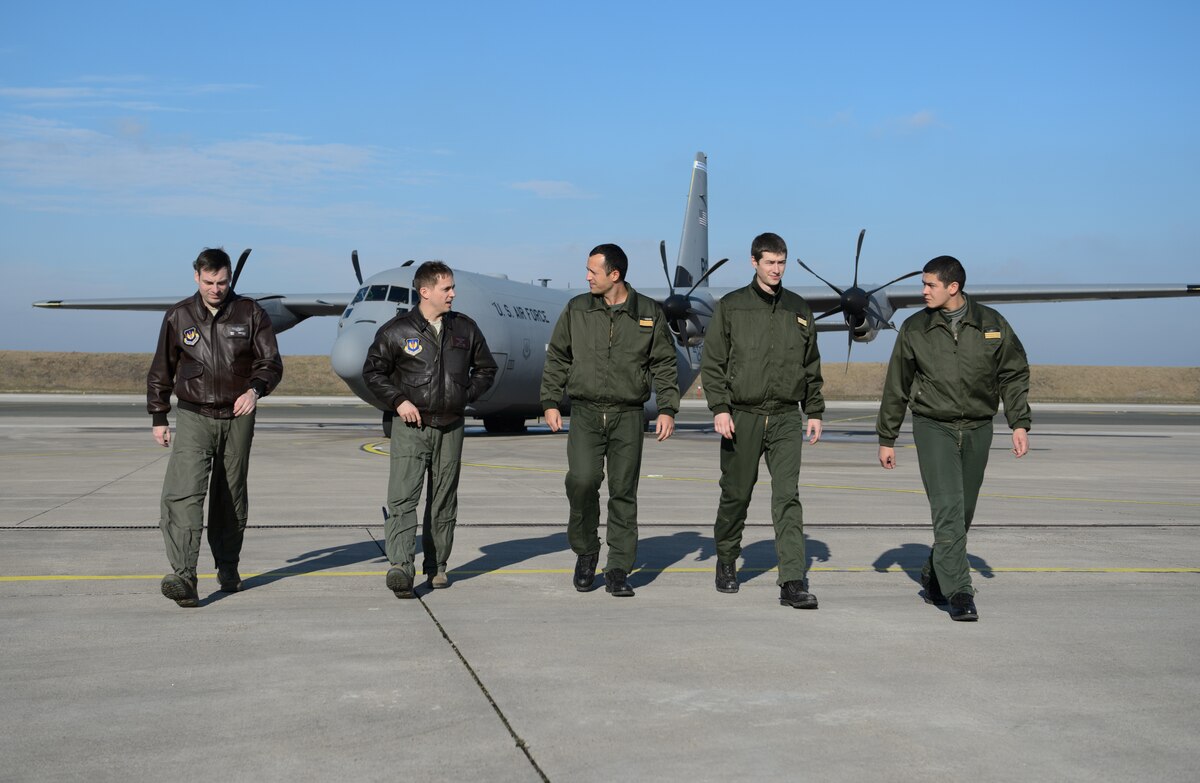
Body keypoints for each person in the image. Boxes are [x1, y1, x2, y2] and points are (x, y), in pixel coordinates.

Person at [877, 255, 1031, 622]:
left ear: (953, 287)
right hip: (934, 426)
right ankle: (959, 591)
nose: (923, 291)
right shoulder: (915, 328)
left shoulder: (992, 324)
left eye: (930, 285)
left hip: (979, 426)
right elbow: (896, 385)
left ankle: (933, 577)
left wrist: (1019, 422)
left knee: (963, 513)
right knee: (947, 508)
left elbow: (1013, 373)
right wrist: (887, 436)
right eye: (923, 284)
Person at [540, 243, 680, 597]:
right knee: (582, 481)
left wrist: (667, 408)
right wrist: (550, 401)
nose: (587, 277)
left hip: (628, 414)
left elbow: (663, 362)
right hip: (586, 412)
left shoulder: (648, 312)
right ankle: (586, 550)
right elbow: (558, 355)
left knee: (623, 492)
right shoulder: (577, 309)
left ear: (614, 275)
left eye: (593, 272)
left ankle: (618, 567)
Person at [148, 248, 283, 607]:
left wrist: (255, 390)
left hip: (238, 415)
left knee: (229, 494)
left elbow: (271, 363)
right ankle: (184, 576)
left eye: (222, 282)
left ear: (230, 279)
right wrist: (159, 416)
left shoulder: (251, 313)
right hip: (194, 414)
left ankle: (228, 566)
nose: (216, 288)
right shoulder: (178, 316)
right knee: (183, 493)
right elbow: (161, 369)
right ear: (197, 277)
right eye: (209, 282)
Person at [701, 232, 825, 609]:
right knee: (736, 493)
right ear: (753, 262)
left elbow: (811, 364)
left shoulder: (799, 309)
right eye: (769, 262)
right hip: (743, 415)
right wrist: (720, 407)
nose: (776, 269)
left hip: (786, 416)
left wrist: (815, 409)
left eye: (781, 262)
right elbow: (714, 361)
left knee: (787, 496)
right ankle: (726, 559)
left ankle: (791, 580)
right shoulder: (732, 307)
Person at [363, 261, 497, 598]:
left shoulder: (465, 329)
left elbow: (486, 369)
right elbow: (373, 371)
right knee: (403, 498)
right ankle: (401, 566)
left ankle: (437, 566)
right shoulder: (396, 331)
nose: (453, 294)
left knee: (443, 500)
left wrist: (463, 396)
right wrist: (398, 401)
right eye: (446, 288)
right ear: (425, 292)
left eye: (452, 288)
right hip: (411, 427)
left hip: (450, 428)